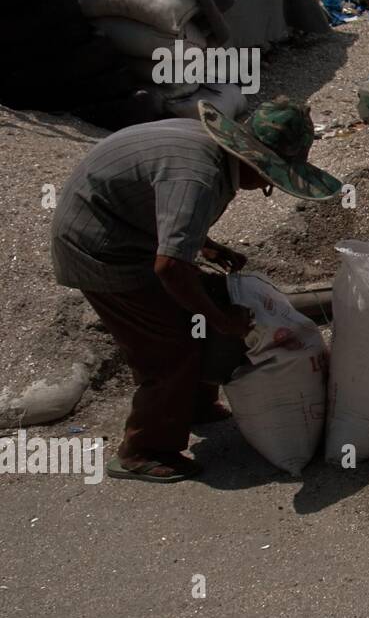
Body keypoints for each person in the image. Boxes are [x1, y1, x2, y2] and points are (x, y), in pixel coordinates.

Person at [50, 97, 342, 483]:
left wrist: (206, 246)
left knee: (203, 311)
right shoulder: (200, 176)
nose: (271, 185)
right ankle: (142, 450)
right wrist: (222, 321)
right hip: (99, 253)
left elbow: (160, 206)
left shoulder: (210, 155)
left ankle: (194, 405)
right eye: (275, 175)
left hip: (127, 233)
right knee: (171, 347)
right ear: (254, 162)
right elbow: (169, 266)